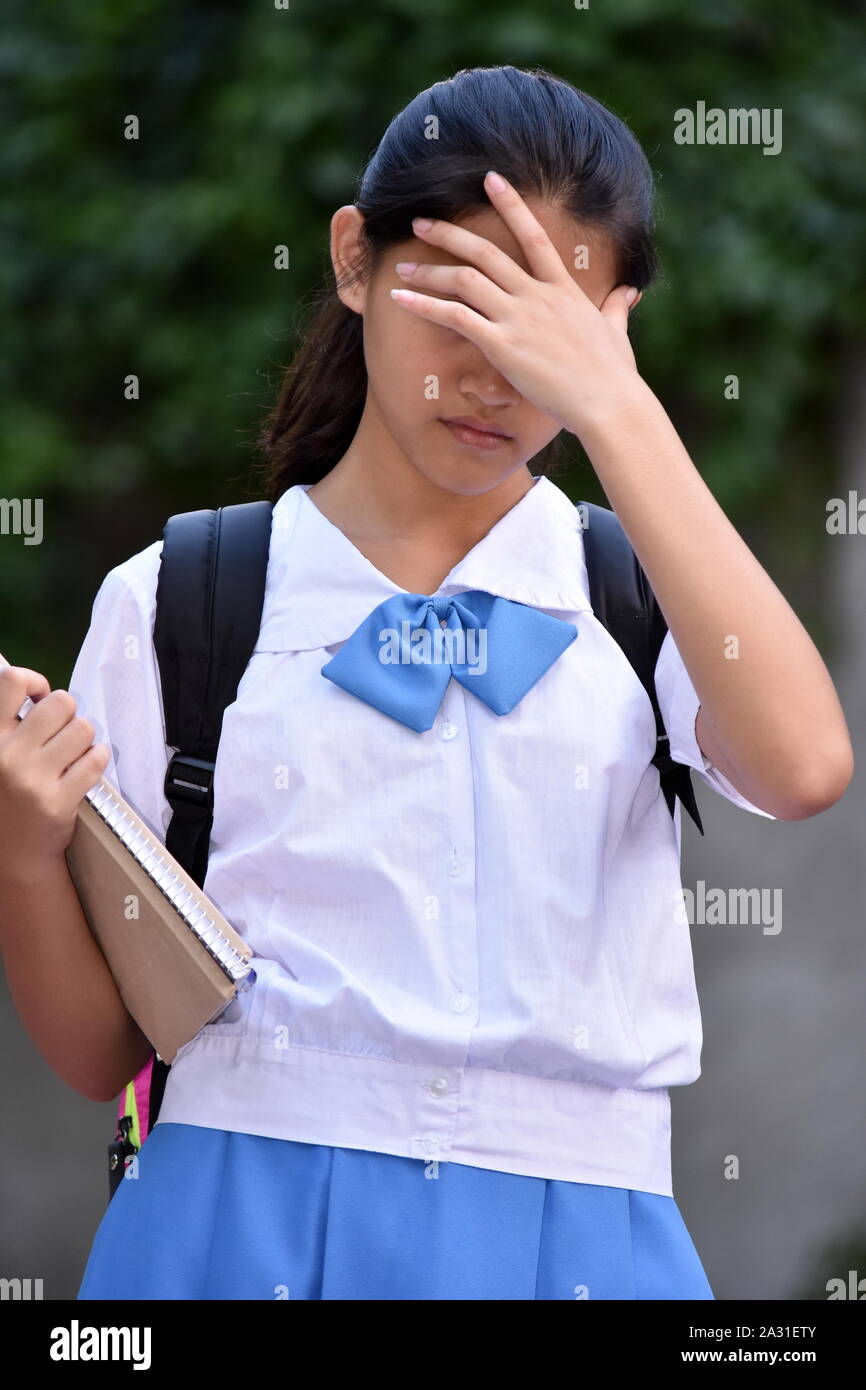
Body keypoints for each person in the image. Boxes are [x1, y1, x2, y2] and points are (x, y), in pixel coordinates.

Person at [0, 65, 853, 1301]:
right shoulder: (179, 600)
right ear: (354, 258)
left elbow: (804, 765)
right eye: (461, 306)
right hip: (234, 1218)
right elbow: (106, 1055)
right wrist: (25, 852)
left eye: (544, 335)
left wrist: (616, 413)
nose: (495, 378)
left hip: (583, 1237)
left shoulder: (636, 596)